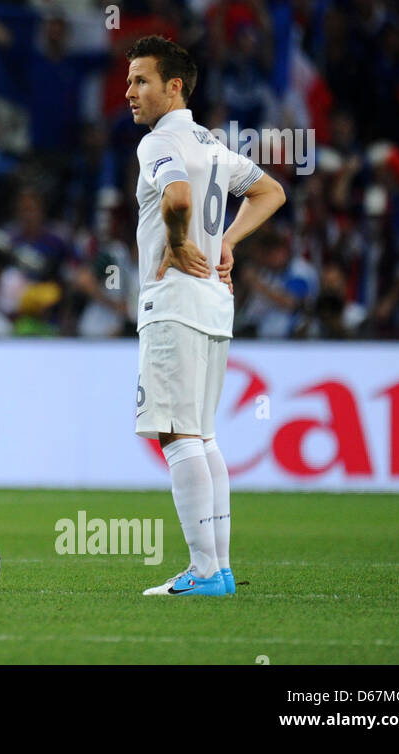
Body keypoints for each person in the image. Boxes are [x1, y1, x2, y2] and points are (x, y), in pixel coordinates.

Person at [123, 35, 285, 597]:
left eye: (141, 80)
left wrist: (175, 240)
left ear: (174, 87)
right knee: (204, 436)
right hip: (215, 305)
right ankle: (215, 569)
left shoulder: (159, 143)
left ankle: (203, 571)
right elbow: (271, 192)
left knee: (176, 436)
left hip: (174, 303)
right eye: (128, 81)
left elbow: (176, 196)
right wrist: (226, 246)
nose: (130, 92)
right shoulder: (212, 145)